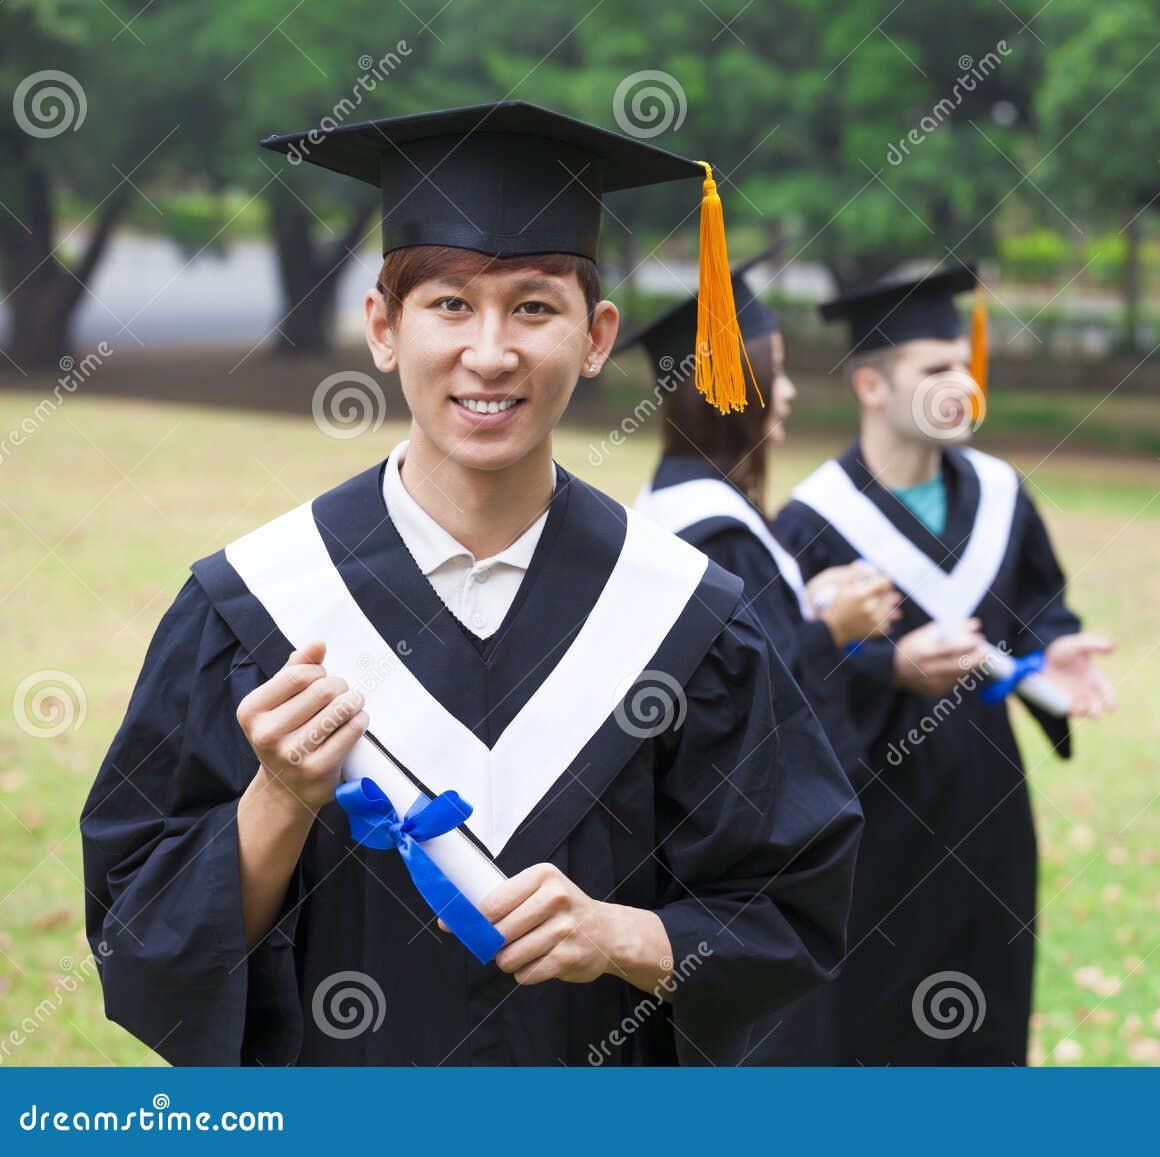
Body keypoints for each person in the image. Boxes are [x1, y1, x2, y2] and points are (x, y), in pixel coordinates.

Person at [78, 101, 863, 1067]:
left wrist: (623, 936)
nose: (489, 353)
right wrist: (277, 796)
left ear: (596, 335)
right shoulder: (253, 607)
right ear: (381, 326)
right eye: (449, 303)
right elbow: (138, 938)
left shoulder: (685, 617)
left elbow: (794, 904)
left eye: (534, 306)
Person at [774, 262, 1116, 1064]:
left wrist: (1052, 652)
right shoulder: (811, 522)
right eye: (935, 370)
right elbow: (781, 683)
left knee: (990, 1026)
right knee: (872, 1038)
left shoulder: (1002, 494)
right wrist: (887, 670)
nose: (961, 384)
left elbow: (1039, 608)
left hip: (990, 819)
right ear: (870, 385)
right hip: (869, 831)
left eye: (964, 365)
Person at [622, 249, 900, 1061]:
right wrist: (832, 631)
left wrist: (811, 611)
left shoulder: (684, 510)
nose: (786, 390)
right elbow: (757, 704)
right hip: (743, 877)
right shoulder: (713, 531)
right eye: (771, 371)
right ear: (729, 392)